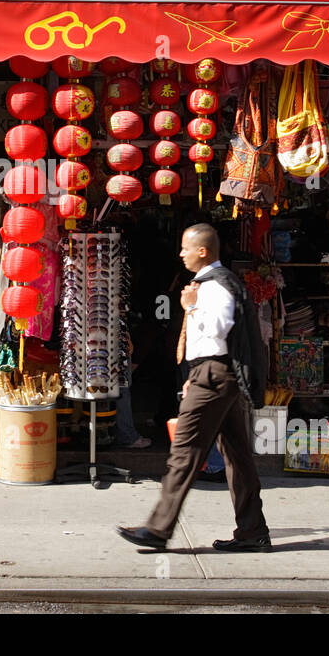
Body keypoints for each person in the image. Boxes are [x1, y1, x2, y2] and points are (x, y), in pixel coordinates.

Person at [117, 224, 270, 552]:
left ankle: (158, 528)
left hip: (213, 377)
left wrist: (190, 306)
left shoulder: (214, 286)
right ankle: (253, 530)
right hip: (214, 374)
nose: (181, 253)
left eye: (186, 248)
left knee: (184, 452)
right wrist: (193, 371)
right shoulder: (218, 282)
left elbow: (216, 329)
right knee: (238, 457)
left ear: (202, 251)